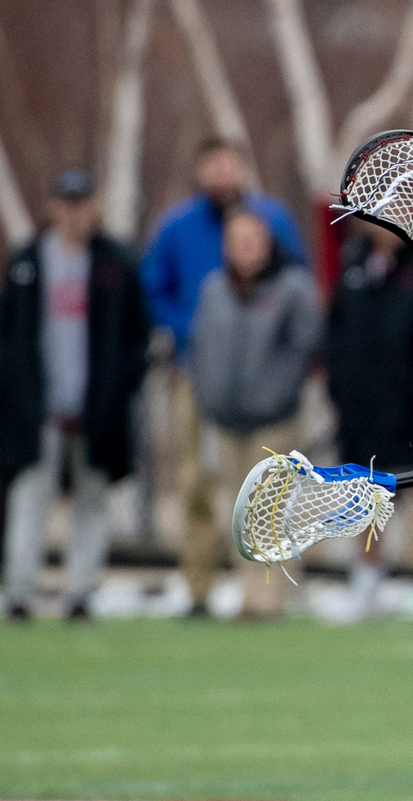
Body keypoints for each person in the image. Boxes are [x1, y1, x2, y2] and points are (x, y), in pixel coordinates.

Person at [140, 137, 308, 615]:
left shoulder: (274, 218)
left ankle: (267, 592)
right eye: (212, 166)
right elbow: (154, 288)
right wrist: (186, 333)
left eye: (229, 165)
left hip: (267, 389)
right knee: (198, 483)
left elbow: (300, 298)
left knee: (265, 493)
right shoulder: (178, 229)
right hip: (198, 378)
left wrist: (284, 375)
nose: (222, 175)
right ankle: (199, 587)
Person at [0, 169, 148, 620]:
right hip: (40, 407)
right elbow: (7, 335)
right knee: (30, 497)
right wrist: (18, 389)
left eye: (83, 204)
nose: (75, 214)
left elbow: (136, 335)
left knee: (91, 500)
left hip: (96, 407)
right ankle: (19, 591)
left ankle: (81, 592)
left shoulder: (115, 264)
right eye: (67, 204)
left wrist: (119, 386)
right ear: (53, 208)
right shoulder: (27, 263)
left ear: (94, 208)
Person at [324, 219, 413, 622]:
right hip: (364, 407)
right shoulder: (354, 264)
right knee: (365, 495)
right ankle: (367, 582)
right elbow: (338, 329)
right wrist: (342, 387)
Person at [187, 210, 321, 618]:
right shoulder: (214, 289)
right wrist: (209, 397)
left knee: (271, 509)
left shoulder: (292, 289)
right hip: (225, 419)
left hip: (274, 419)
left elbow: (304, 347)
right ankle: (247, 592)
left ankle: (270, 597)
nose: (244, 250)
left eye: (252, 241)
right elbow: (200, 346)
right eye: (236, 241)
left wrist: (278, 394)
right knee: (236, 509)